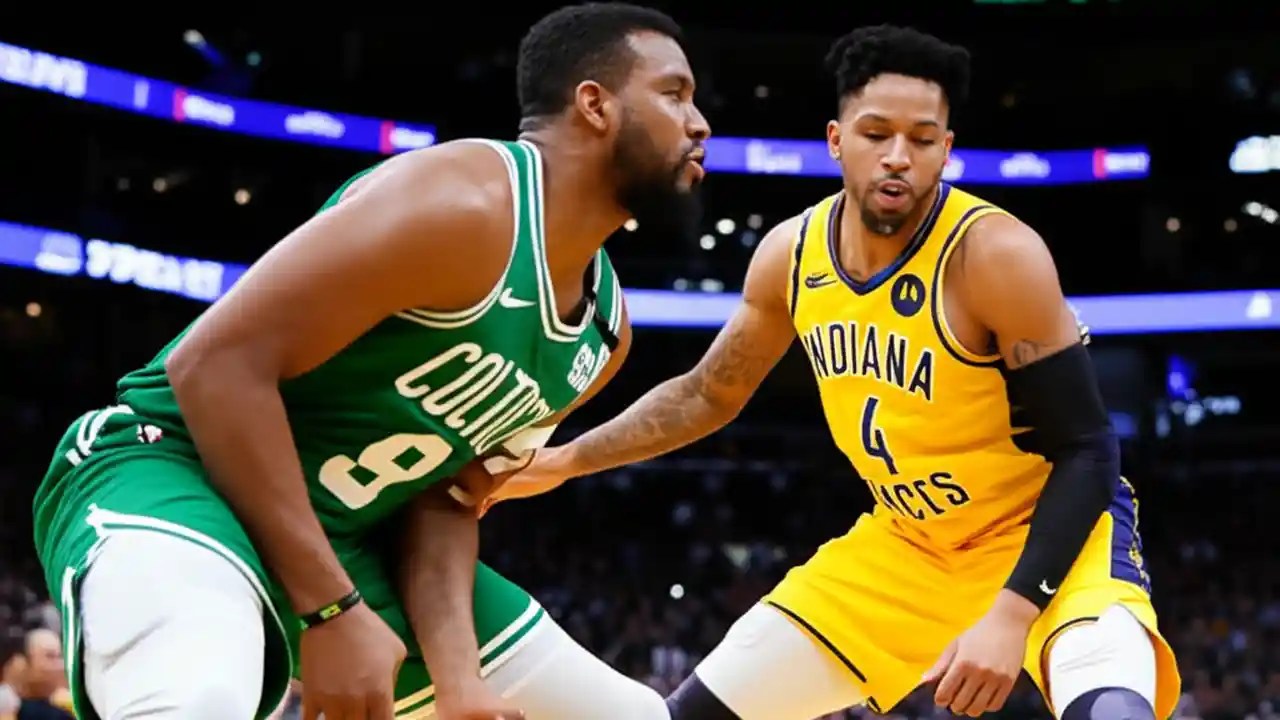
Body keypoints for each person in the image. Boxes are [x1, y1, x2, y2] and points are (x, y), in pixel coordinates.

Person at [30, 3, 709, 719]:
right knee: (200, 698)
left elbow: (447, 497)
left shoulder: (604, 335)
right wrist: (330, 610)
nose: (700, 125)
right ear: (594, 105)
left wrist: (459, 682)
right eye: (675, 94)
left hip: (348, 541)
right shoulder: (464, 201)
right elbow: (213, 368)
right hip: (173, 471)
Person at [490, 24, 1181, 720]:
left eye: (921, 139)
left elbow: (1090, 450)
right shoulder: (792, 255)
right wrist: (565, 461)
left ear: (947, 150)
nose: (897, 158)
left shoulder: (995, 255)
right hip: (907, 544)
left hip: (1048, 539)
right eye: (876, 133)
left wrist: (1010, 612)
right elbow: (706, 394)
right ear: (836, 139)